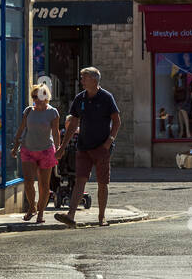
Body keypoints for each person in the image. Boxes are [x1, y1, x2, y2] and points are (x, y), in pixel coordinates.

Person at [56, 67, 121, 227]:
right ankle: (70, 215)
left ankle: (101, 217)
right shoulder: (80, 98)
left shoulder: (106, 97)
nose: (82, 81)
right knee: (80, 180)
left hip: (101, 148)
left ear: (94, 80)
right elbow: (73, 125)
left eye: (84, 78)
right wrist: (62, 147)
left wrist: (108, 143)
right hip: (83, 147)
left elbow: (117, 121)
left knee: (102, 183)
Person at [10, 83, 61, 224]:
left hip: (46, 151)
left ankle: (41, 212)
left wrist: (58, 149)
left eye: (38, 96)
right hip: (28, 150)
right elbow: (21, 129)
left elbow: (56, 133)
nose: (36, 100)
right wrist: (15, 146)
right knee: (28, 182)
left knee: (44, 185)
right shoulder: (28, 111)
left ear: (46, 97)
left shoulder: (52, 112)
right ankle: (32, 207)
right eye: (33, 96)